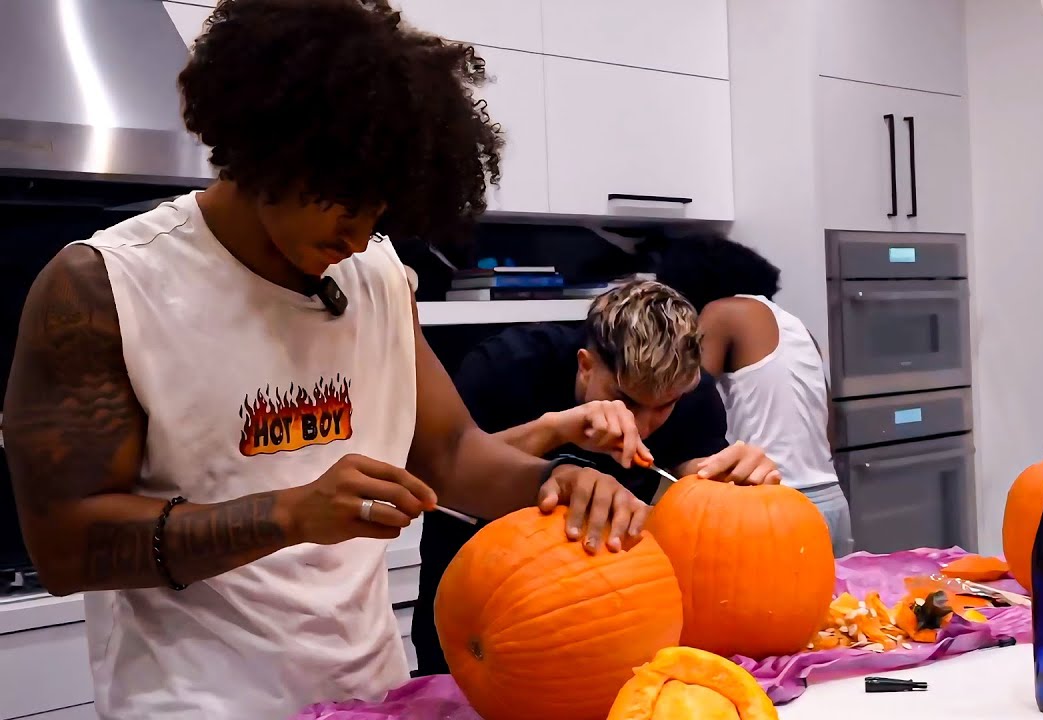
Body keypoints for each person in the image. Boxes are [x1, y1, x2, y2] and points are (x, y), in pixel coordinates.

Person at [1, 2, 645, 718]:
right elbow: (63, 548)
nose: (360, 233)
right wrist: (287, 513)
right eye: (343, 198)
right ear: (269, 146)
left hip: (371, 696)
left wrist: (561, 481)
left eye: (380, 208)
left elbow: (453, 451)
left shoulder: (375, 271)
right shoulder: (105, 287)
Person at [411, 280, 781, 673]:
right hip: (483, 614)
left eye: (664, 407)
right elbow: (444, 473)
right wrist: (552, 430)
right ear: (586, 366)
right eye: (628, 401)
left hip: (609, 623)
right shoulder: (508, 365)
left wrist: (723, 482)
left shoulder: (694, 394)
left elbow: (685, 482)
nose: (642, 425)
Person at [656, 233, 854, 557]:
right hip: (831, 502)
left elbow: (686, 395)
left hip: (773, 507)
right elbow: (828, 429)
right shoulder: (796, 327)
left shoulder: (722, 314)